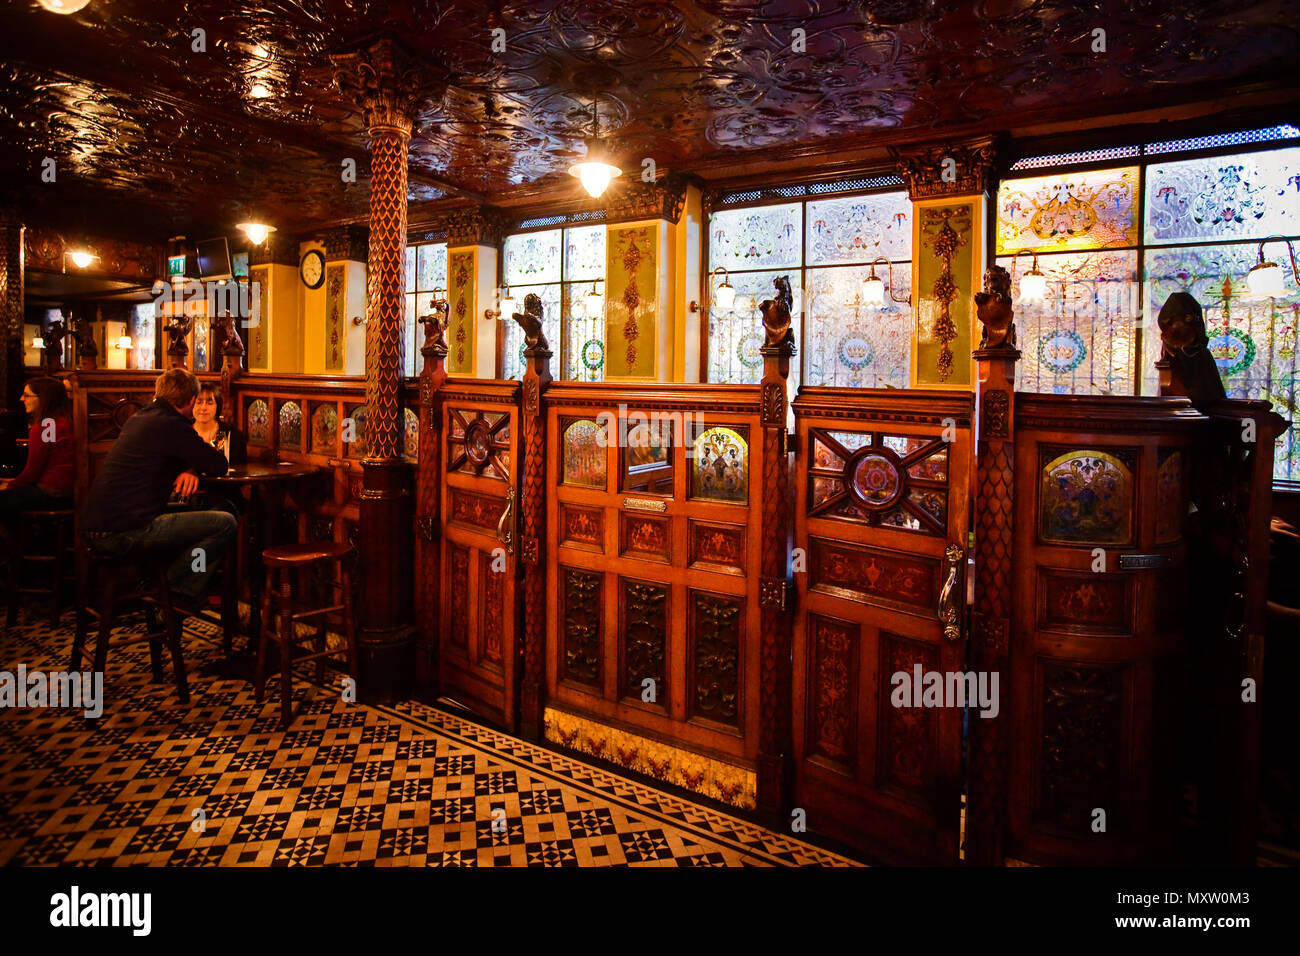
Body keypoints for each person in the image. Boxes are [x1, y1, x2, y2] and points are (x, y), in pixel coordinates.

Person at [80, 369, 237, 610]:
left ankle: (164, 584)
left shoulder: (140, 418)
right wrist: (193, 463)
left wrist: (189, 467)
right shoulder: (173, 425)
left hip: (95, 526)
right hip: (124, 532)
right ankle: (177, 588)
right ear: (191, 400)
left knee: (190, 513)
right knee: (225, 522)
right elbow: (218, 464)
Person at [0, 376, 76, 534]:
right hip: (68, 492)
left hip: (52, 494)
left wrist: (10, 485)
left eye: (27, 395)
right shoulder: (61, 422)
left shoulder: (44, 427)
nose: (21, 399)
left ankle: (16, 552)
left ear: (43, 398)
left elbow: (33, 472)